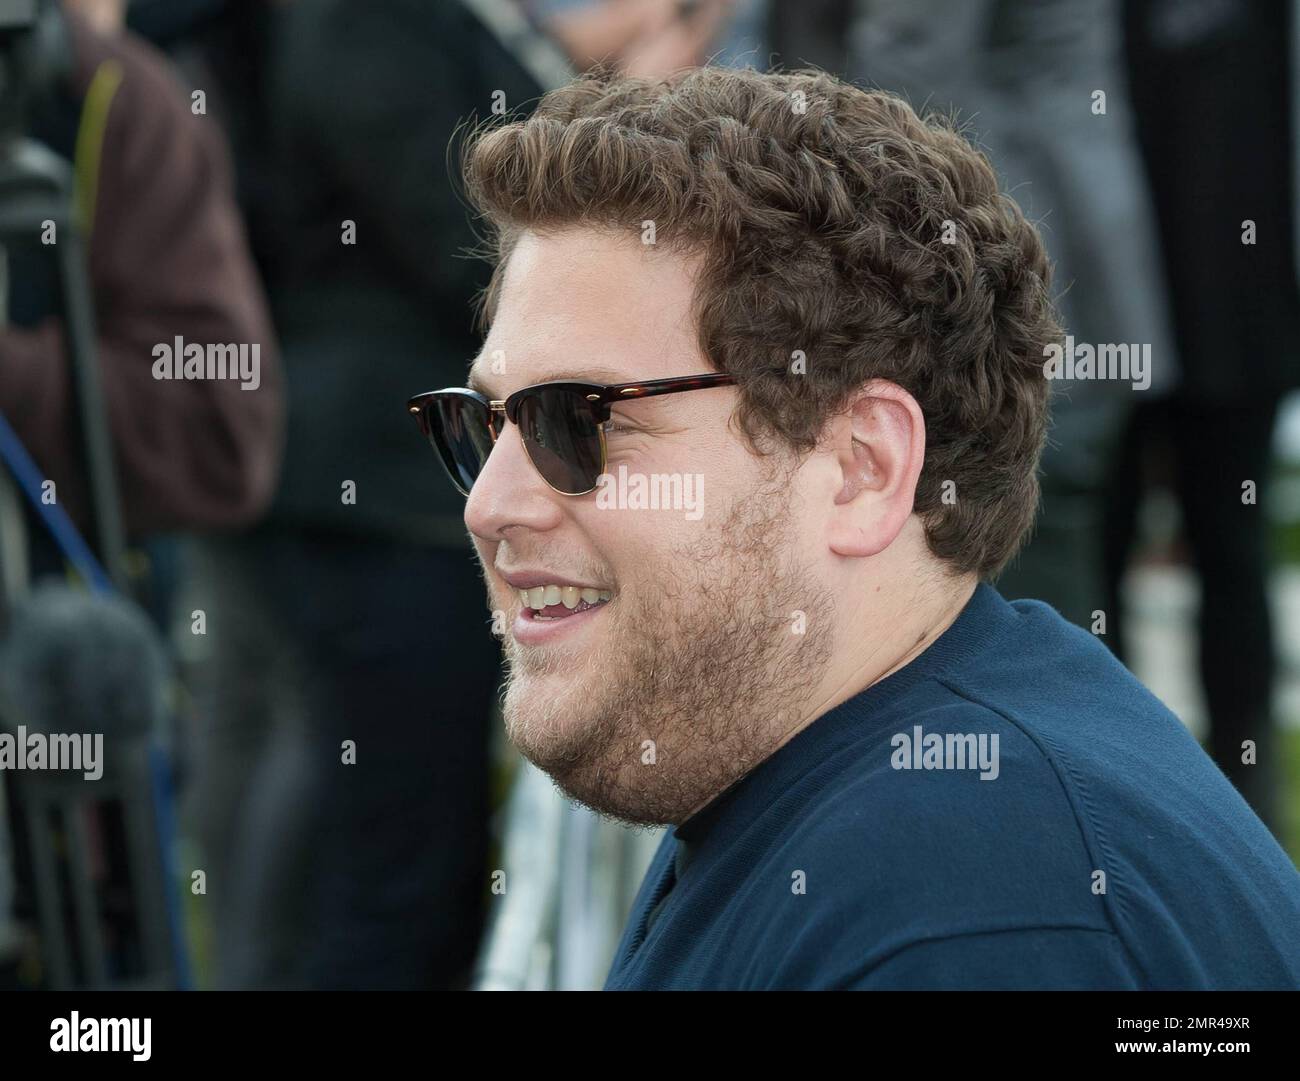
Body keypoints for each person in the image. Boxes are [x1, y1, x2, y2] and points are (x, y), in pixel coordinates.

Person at [407, 65, 1300, 989]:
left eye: (579, 420)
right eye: (486, 422)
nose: (489, 504)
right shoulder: (831, 784)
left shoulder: (972, 914)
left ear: (864, 469)